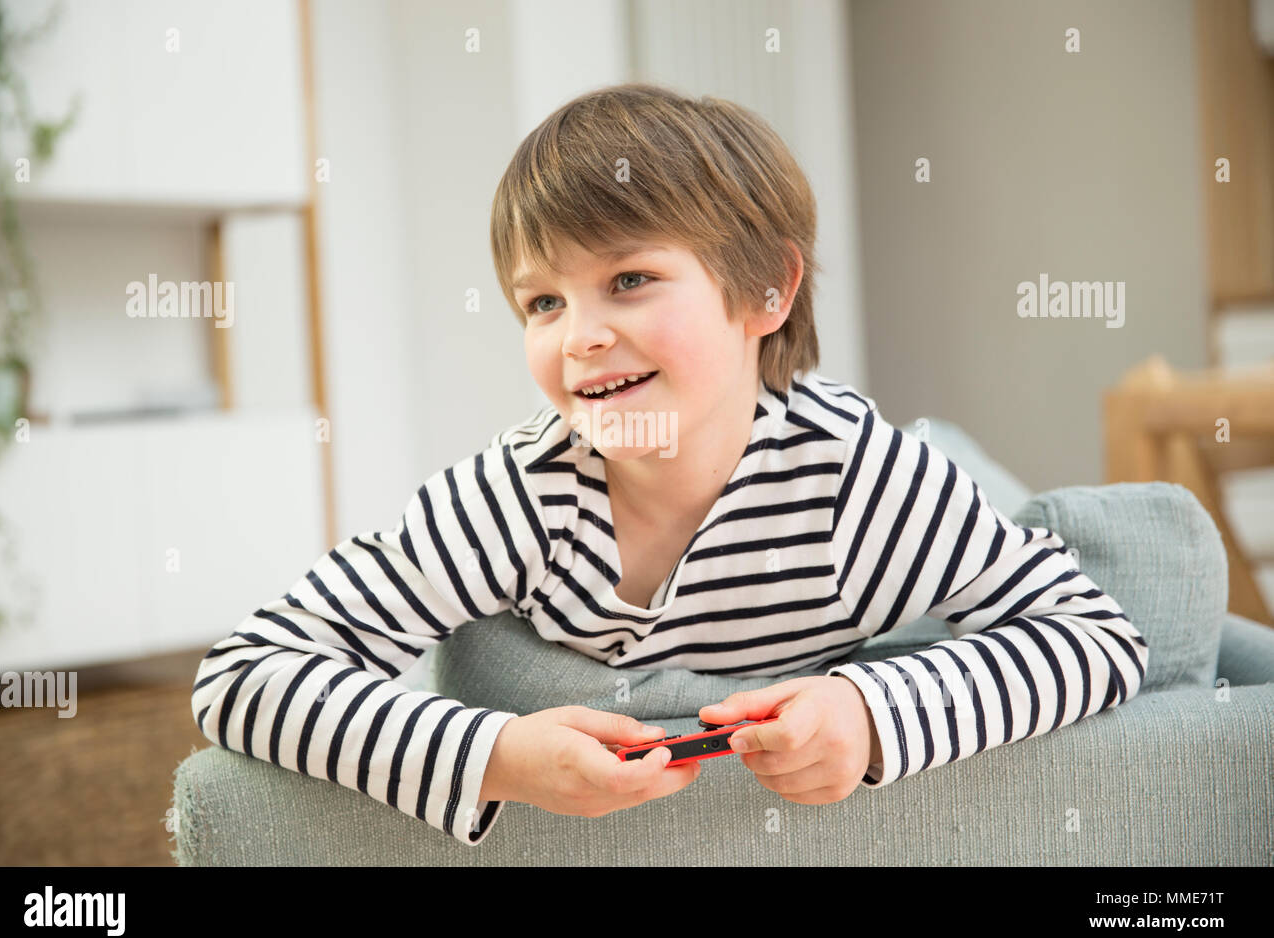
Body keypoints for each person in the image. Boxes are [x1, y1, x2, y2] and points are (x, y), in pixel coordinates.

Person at [191, 83, 1148, 846]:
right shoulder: (518, 494)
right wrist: (498, 754)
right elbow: (241, 673)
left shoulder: (857, 482)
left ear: (766, 289)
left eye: (630, 280)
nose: (580, 338)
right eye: (543, 304)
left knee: (1080, 526)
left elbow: (1100, 638)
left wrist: (871, 711)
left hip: (922, 459)